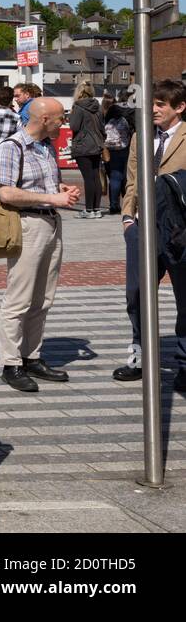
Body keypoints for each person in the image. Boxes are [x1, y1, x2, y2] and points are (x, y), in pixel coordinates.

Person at [0, 97, 81, 393]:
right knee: (19, 297)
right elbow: (5, 193)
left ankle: (31, 356)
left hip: (51, 223)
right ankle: (10, 363)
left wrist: (59, 190)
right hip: (27, 225)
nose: (63, 122)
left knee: (43, 297)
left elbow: (40, 186)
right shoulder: (11, 147)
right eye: (60, 118)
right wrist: (51, 198)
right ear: (44, 119)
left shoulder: (45, 147)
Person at [116, 79, 186, 391]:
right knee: (137, 294)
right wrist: (128, 218)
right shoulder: (140, 136)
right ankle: (139, 356)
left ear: (179, 107)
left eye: (160, 104)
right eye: (152, 103)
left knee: (184, 297)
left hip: (179, 229)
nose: (154, 109)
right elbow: (133, 178)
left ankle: (184, 363)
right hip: (142, 226)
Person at [67, 81, 106, 219]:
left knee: (88, 178)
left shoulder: (78, 107)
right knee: (95, 177)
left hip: (83, 145)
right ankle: (96, 209)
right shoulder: (98, 106)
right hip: (96, 144)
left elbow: (74, 126)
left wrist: (71, 115)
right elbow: (102, 127)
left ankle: (89, 210)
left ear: (78, 92)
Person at [102, 92, 131, 215]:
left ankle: (114, 205)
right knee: (124, 177)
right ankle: (126, 203)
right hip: (123, 149)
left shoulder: (105, 118)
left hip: (109, 150)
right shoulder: (124, 118)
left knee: (113, 178)